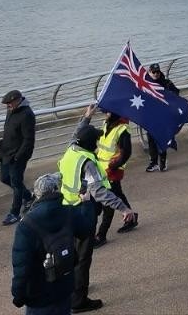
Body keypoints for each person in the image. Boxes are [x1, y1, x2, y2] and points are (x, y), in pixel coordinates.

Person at [57, 116, 135, 312]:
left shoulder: (71, 150)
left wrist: (86, 117)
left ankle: (68, 288)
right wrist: (123, 208)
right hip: (82, 211)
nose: (98, 142)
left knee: (72, 253)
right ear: (91, 143)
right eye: (96, 140)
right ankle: (79, 301)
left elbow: (76, 133)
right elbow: (99, 192)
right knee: (83, 257)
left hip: (66, 206)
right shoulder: (88, 162)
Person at [10, 173, 92, 315]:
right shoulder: (68, 212)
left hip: (38, 293)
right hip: (64, 286)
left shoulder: (27, 225)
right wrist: (86, 203)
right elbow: (86, 229)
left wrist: (18, 294)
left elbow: (21, 265)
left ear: (36, 194)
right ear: (56, 189)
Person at [91, 108, 138, 246]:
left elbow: (126, 153)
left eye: (108, 112)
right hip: (101, 168)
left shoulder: (123, 130)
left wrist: (112, 166)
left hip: (112, 170)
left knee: (108, 202)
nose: (105, 114)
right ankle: (131, 217)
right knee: (117, 194)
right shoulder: (107, 124)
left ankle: (101, 235)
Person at [0, 90, 36, 226]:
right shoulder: (11, 111)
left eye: (9, 103)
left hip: (18, 155)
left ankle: (14, 213)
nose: (7, 106)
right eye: (6, 104)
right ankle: (28, 196)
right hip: (5, 152)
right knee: (4, 178)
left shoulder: (27, 114)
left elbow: (28, 139)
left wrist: (19, 156)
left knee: (16, 183)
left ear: (18, 100)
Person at [144, 64, 178, 172]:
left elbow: (176, 93)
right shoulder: (146, 84)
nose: (155, 74)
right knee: (151, 140)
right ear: (149, 72)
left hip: (163, 116)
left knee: (161, 139)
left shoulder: (167, 83)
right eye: (153, 72)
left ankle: (162, 161)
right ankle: (153, 162)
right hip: (150, 116)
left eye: (157, 72)